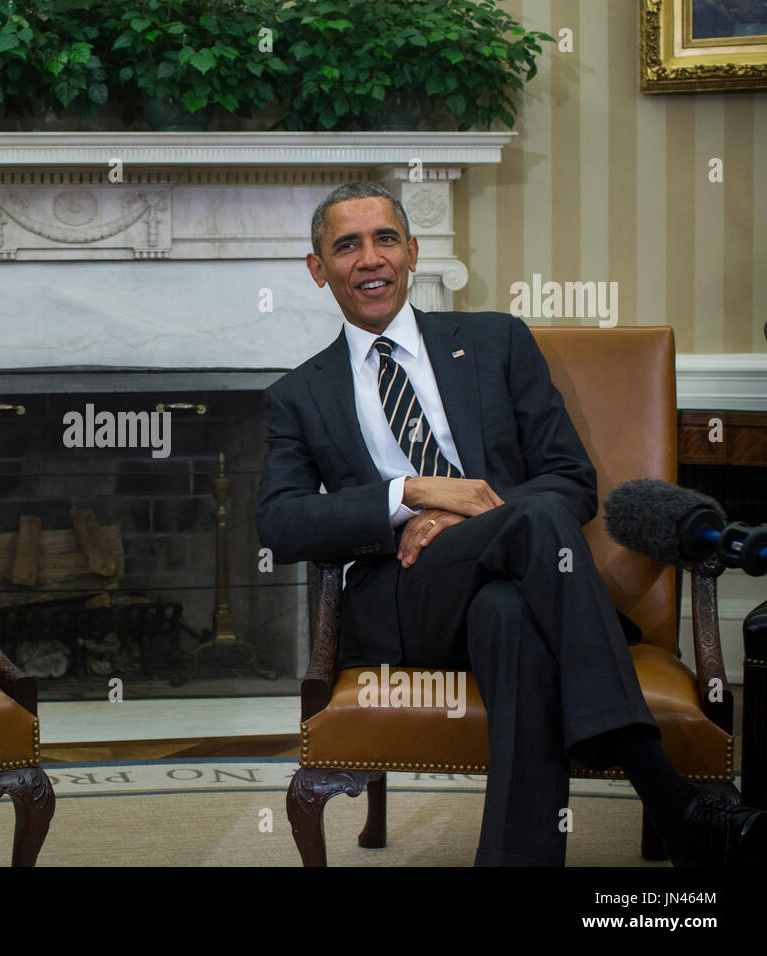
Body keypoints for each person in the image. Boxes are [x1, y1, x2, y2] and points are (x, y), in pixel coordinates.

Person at [256, 181, 765, 866]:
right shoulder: (298, 394)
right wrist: (411, 494)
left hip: (519, 584)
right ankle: (667, 794)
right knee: (526, 525)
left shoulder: (495, 341)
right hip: (406, 599)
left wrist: (469, 515)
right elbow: (281, 522)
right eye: (346, 246)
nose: (369, 259)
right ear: (319, 269)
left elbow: (571, 479)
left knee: (510, 614)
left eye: (384, 240)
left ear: (412, 251)